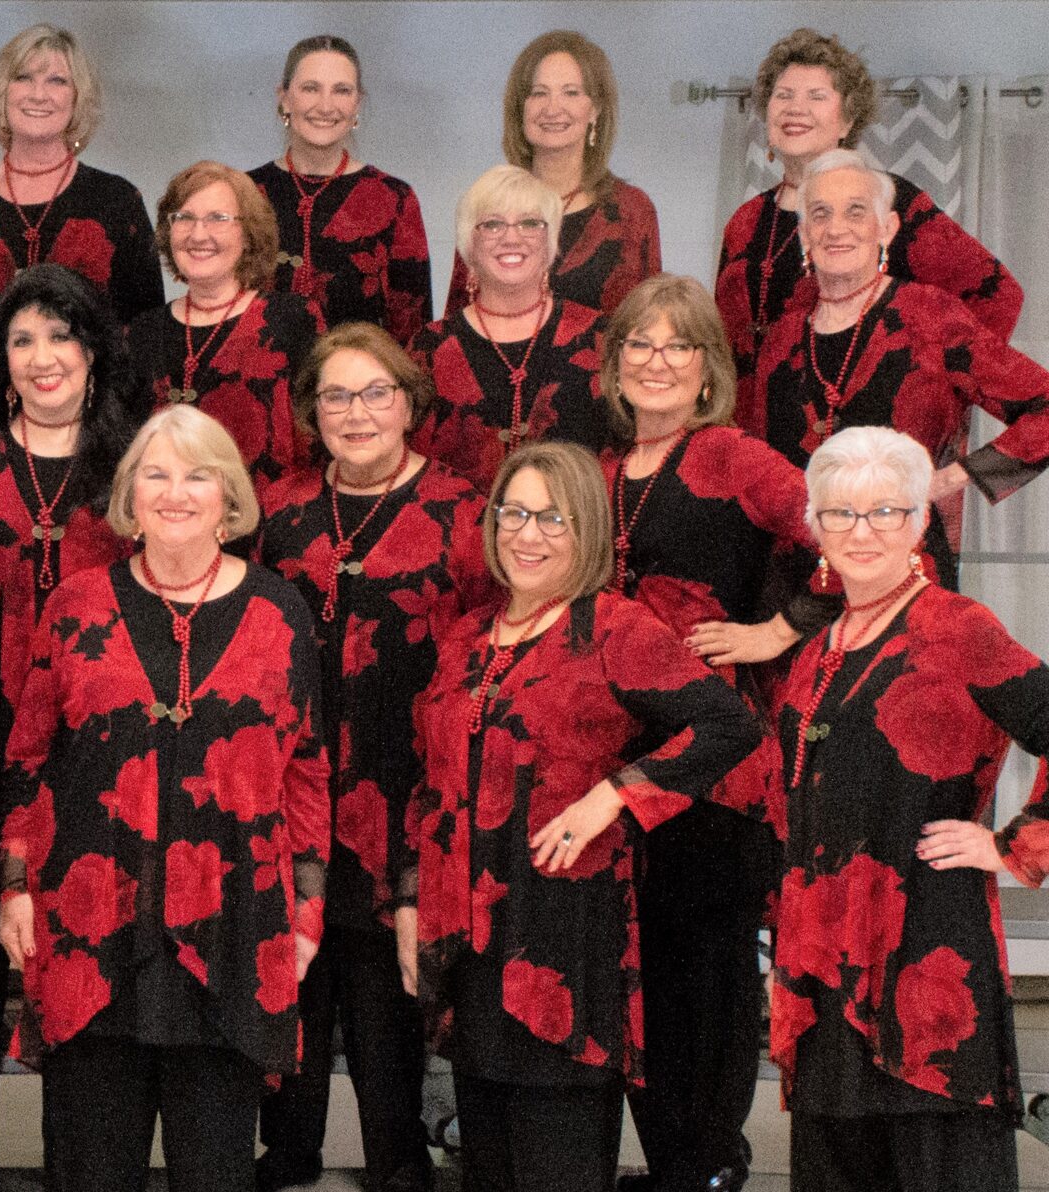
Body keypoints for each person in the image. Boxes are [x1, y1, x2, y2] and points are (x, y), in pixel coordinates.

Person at [399, 441, 760, 1192]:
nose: (527, 534)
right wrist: (408, 903)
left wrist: (615, 795)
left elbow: (728, 724)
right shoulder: (468, 636)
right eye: (514, 514)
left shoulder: (615, 628)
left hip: (564, 943)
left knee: (556, 1162)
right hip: (470, 948)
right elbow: (430, 782)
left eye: (552, 518)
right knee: (488, 1170)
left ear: (587, 528)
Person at [0, 404, 329, 1192]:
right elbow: (29, 758)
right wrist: (13, 886)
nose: (175, 493)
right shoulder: (75, 603)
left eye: (197, 475)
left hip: (232, 932)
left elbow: (307, 773)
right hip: (91, 930)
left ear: (229, 498)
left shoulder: (280, 610)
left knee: (215, 1173)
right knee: (88, 1171)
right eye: (156, 474)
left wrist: (307, 912)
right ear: (129, 496)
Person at [769, 425, 1048, 1192]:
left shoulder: (959, 629)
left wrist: (1012, 846)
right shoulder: (820, 647)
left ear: (921, 520)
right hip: (825, 975)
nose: (862, 532)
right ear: (816, 527)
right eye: (841, 513)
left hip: (929, 964)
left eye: (885, 511)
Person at [591, 275, 823, 1192]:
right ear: (614, 364)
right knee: (644, 966)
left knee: (707, 971)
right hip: (613, 755)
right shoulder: (601, 470)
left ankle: (712, 1161)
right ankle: (673, 1165)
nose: (656, 361)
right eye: (639, 344)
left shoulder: (732, 456)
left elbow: (849, 532)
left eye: (677, 345)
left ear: (707, 367)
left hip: (711, 755)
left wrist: (779, 630)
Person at [252, 324, 488, 1192]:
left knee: (386, 974)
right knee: (297, 965)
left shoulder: (463, 508)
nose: (357, 413)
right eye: (336, 397)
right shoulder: (278, 508)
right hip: (297, 773)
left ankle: (398, 1152)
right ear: (311, 412)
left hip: (407, 776)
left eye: (375, 393)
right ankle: (290, 1148)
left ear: (409, 402)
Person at [0, 263, 136, 1191]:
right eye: (22, 340)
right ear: (0, 359)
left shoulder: (134, 458)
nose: (43, 356)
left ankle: (81, 1156)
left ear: (93, 351)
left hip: (97, 738)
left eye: (61, 335)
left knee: (78, 932)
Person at [746, 149, 1049, 592]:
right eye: (820, 214)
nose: (836, 228)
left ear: (886, 228)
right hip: (792, 588)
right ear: (805, 233)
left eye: (855, 211)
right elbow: (759, 469)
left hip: (904, 581)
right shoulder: (782, 336)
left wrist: (946, 480)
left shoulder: (930, 316)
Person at [718, 28, 1022, 391]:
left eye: (816, 96)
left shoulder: (890, 202)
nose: (795, 108)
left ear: (847, 120)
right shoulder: (745, 221)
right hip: (750, 422)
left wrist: (928, 390)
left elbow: (998, 297)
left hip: (855, 419)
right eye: (783, 95)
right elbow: (719, 341)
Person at [124, 161, 324, 485]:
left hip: (268, 515)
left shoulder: (294, 320)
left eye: (218, 218)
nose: (198, 234)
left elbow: (319, 440)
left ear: (247, 235)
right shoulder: (141, 333)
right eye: (184, 218)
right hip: (167, 511)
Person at [0, 24, 164, 319]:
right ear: (3, 91)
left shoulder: (118, 200)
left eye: (57, 81)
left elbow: (146, 327)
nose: (38, 94)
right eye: (24, 78)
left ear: (77, 98)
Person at [413, 165, 608, 489]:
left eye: (530, 223)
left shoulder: (598, 338)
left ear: (551, 240)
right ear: (469, 244)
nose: (511, 238)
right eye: (493, 224)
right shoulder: (428, 348)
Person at [446, 31, 659, 318]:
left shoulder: (631, 211)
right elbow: (457, 320)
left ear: (595, 109)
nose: (552, 108)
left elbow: (649, 324)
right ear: (520, 108)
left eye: (571, 92)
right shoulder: (487, 203)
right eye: (539, 93)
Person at [249, 35, 433, 347]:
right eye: (311, 88)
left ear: (357, 103)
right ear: (284, 98)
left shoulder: (394, 199)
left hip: (359, 377)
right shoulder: (244, 193)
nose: (325, 106)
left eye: (341, 90)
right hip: (257, 376)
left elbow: (411, 333)